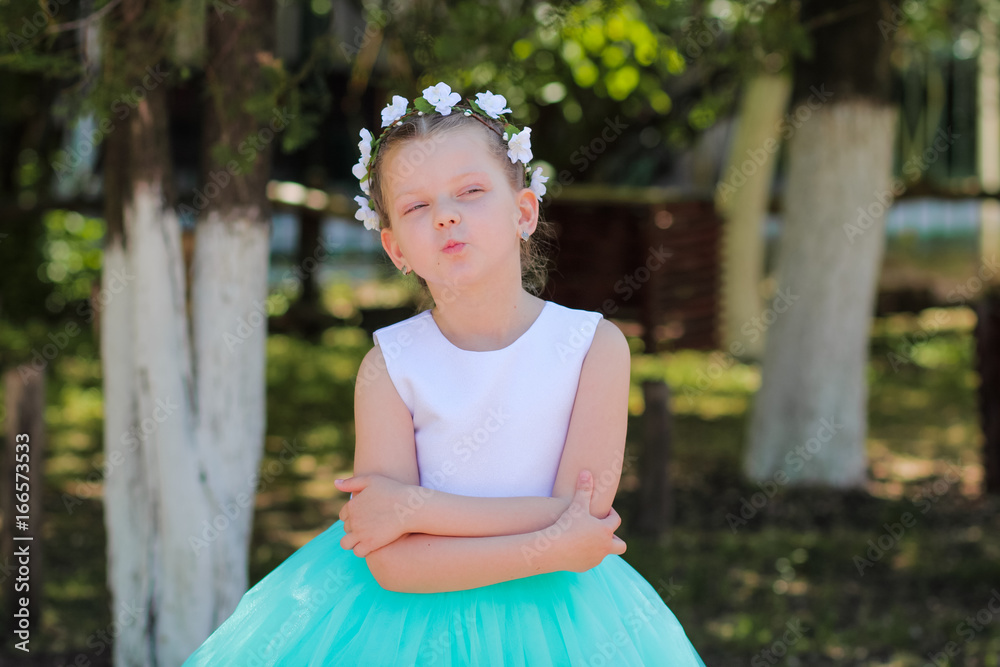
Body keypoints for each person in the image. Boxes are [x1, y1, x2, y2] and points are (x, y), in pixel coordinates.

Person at [182, 82, 706, 666]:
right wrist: (551, 544)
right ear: (395, 248)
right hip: (399, 631)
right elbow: (393, 563)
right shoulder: (389, 367)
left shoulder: (593, 348)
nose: (446, 215)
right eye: (415, 206)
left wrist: (416, 509)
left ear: (523, 211)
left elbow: (583, 517)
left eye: (471, 191)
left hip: (566, 625)